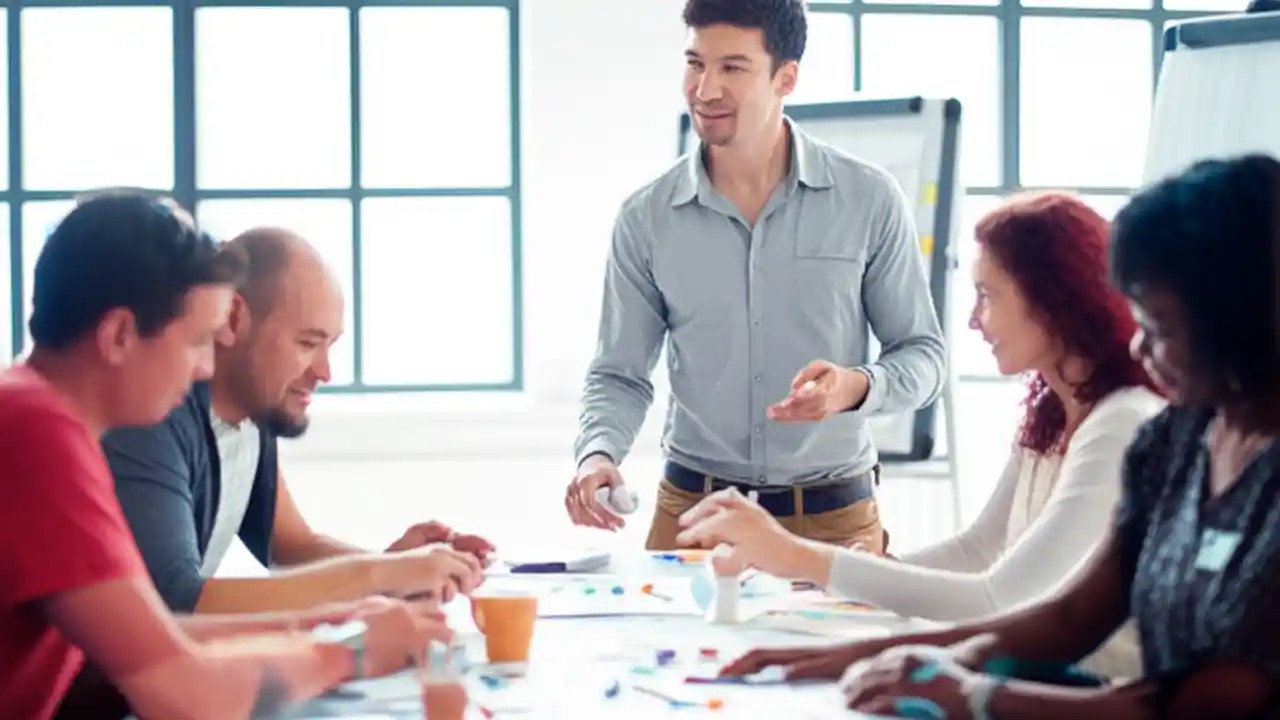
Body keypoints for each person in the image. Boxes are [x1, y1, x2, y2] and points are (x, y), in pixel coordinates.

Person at [719, 155, 1280, 719]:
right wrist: (861, 655)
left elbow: (1208, 703)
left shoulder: (1144, 427)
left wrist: (977, 694)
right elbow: (1066, 615)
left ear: (1239, 320)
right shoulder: (1170, 441)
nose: (1141, 346)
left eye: (1161, 329)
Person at [677, 192, 1164, 677]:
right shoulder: (1054, 413)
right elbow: (978, 550)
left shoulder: (1121, 423)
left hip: (1092, 692)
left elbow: (998, 599)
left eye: (988, 296)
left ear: (1052, 300)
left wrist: (801, 557)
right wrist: (846, 573)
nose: (973, 320)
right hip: (1041, 678)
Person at [0, 193, 448, 720]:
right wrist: (349, 653)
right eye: (197, 342)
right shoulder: (36, 435)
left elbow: (159, 638)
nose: (206, 368)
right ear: (120, 335)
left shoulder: (34, 414)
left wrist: (334, 622)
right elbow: (182, 691)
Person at [566, 0, 945, 551]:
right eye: (695, 63)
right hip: (694, 518)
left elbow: (923, 357)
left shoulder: (869, 199)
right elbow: (619, 373)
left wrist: (854, 387)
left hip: (834, 522)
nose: (705, 89)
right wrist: (598, 452)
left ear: (786, 77)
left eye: (733, 68)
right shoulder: (645, 218)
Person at [100, 227, 490, 615]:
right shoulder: (153, 417)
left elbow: (292, 546)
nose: (325, 372)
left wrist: (402, 568)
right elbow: (176, 599)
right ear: (232, 318)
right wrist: (382, 575)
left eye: (329, 346)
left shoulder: (254, 410)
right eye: (307, 344)